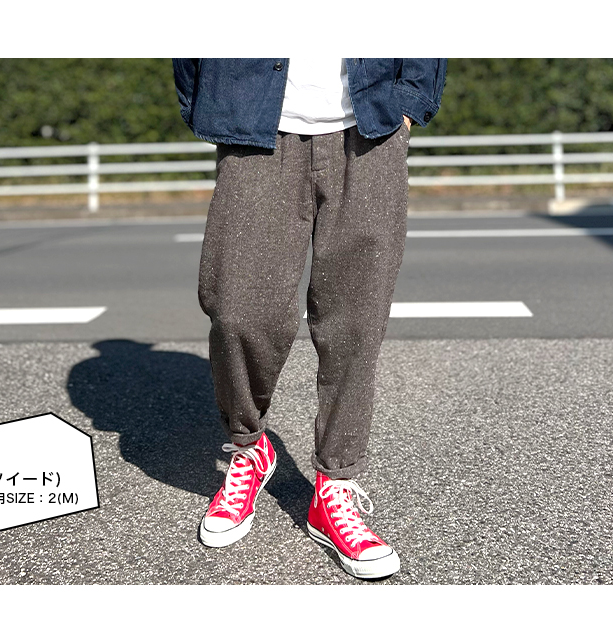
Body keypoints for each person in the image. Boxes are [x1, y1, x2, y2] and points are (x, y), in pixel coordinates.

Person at [173, 58, 447, 579]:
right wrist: (210, 106)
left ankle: (334, 486)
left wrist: (410, 104)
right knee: (237, 312)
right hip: (256, 129)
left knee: (356, 321)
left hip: (369, 129)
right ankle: (249, 449)